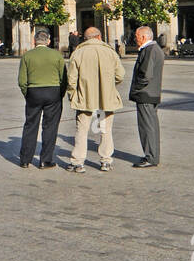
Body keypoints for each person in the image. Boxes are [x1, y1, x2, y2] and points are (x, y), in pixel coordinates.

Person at [66, 27, 124, 173]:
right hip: (106, 97)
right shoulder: (110, 52)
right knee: (105, 129)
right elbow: (120, 75)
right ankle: (106, 161)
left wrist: (72, 95)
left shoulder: (78, 53)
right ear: (99, 37)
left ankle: (78, 162)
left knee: (82, 129)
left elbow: (71, 79)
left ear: (85, 39)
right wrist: (109, 86)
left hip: (85, 97)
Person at [17, 29, 67, 168]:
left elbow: (22, 80)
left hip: (34, 92)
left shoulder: (27, 56)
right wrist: (60, 94)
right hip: (53, 91)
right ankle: (45, 160)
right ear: (49, 41)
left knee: (30, 125)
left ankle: (25, 160)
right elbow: (64, 78)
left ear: (34, 41)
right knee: (50, 126)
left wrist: (27, 93)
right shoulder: (56, 55)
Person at [129, 26, 164, 168]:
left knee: (147, 127)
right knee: (152, 126)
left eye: (137, 36)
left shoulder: (149, 50)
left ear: (143, 37)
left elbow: (146, 74)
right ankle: (153, 155)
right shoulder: (155, 49)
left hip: (145, 94)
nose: (135, 38)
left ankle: (150, 157)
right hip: (152, 93)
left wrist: (137, 89)